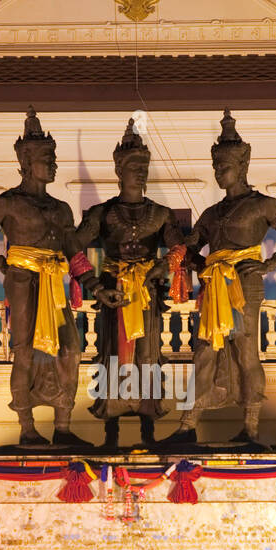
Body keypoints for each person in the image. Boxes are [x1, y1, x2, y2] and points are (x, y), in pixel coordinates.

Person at [0, 107, 122, 447]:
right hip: (23, 282)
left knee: (70, 349)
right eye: (47, 158)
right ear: (26, 163)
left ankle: (63, 425)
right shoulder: (7, 203)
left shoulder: (60, 209)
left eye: (54, 158)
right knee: (26, 351)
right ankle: (27, 426)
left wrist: (94, 286)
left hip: (54, 284)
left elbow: (72, 251)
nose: (53, 164)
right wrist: (0, 262)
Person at [160, 110, 276, 446]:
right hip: (214, 287)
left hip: (245, 282)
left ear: (241, 167)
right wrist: (187, 258)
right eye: (215, 167)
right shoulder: (212, 214)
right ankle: (188, 423)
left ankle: (251, 426)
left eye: (223, 166)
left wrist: (269, 265)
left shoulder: (263, 204)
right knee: (204, 350)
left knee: (245, 350)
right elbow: (191, 247)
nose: (218, 173)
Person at [76, 120, 186, 448]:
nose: (140, 173)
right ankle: (110, 430)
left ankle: (148, 429)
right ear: (119, 170)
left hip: (147, 295)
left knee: (148, 354)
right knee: (112, 353)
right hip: (113, 294)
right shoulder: (103, 213)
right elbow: (72, 245)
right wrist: (94, 285)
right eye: (134, 167)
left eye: (144, 167)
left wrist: (163, 266)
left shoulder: (161, 214)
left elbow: (180, 248)